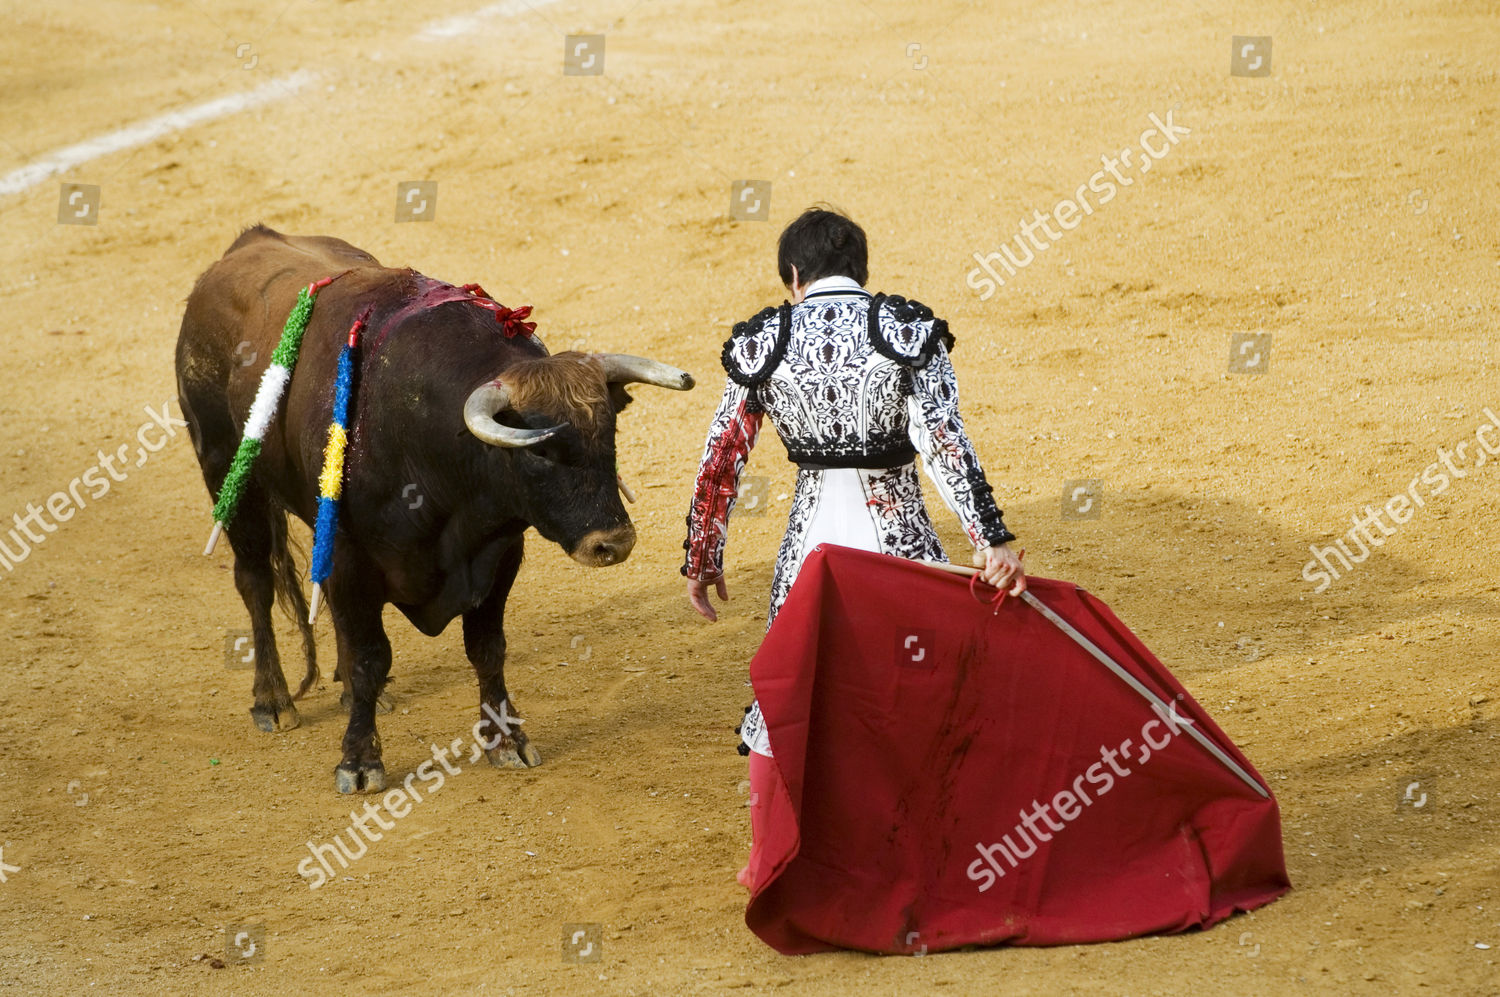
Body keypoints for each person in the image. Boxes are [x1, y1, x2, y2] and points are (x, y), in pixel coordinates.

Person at [680, 206, 1026, 887]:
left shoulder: (766, 340)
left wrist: (704, 555)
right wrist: (992, 540)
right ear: (863, 272)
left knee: (792, 689)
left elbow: (723, 454)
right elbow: (943, 443)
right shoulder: (904, 330)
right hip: (897, 542)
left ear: (794, 275)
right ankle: (942, 854)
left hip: (812, 545)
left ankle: (775, 861)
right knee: (925, 682)